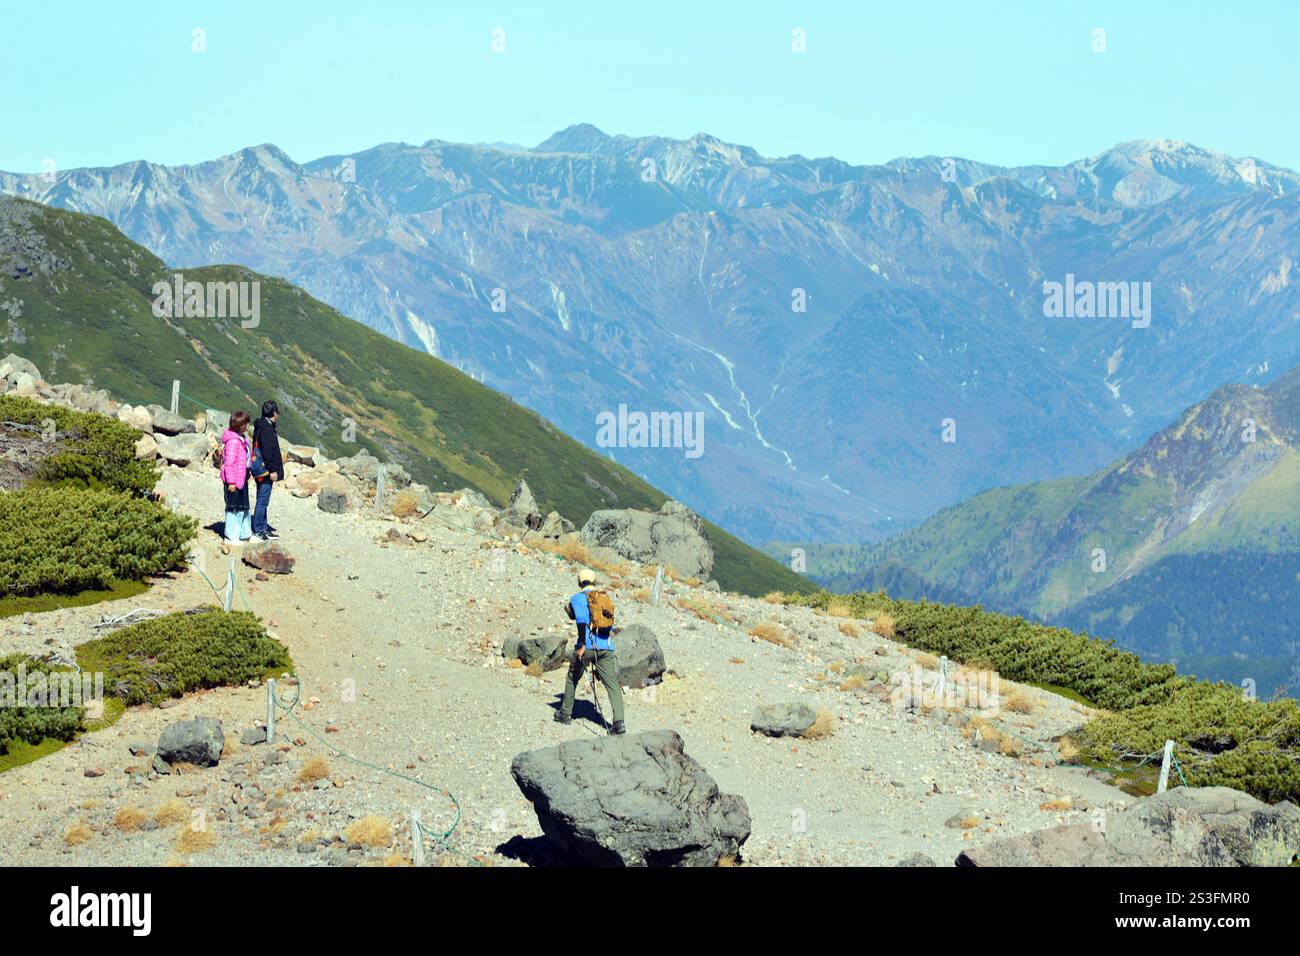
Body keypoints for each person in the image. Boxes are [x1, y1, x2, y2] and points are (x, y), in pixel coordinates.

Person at [555, 568, 625, 734]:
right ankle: (619, 723)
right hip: (606, 647)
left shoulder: (578, 598)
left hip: (588, 646)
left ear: (580, 581)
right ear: (594, 581)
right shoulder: (603, 598)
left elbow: (580, 621)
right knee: (612, 685)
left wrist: (581, 644)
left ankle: (565, 714)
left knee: (572, 677)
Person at [220, 411, 254, 554]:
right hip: (234, 480)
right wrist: (231, 482)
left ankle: (244, 533)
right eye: (246, 423)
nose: (248, 425)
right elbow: (229, 463)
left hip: (242, 477)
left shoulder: (241, 438)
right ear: (240, 425)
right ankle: (231, 536)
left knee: (243, 506)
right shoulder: (234, 441)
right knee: (234, 507)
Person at [251, 400, 284, 540]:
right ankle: (258, 529)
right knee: (263, 500)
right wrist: (272, 470)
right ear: (274, 413)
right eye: (277, 413)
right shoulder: (267, 429)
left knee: (262, 498)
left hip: (260, 468)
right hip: (265, 470)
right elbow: (268, 452)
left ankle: (263, 527)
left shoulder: (260, 426)